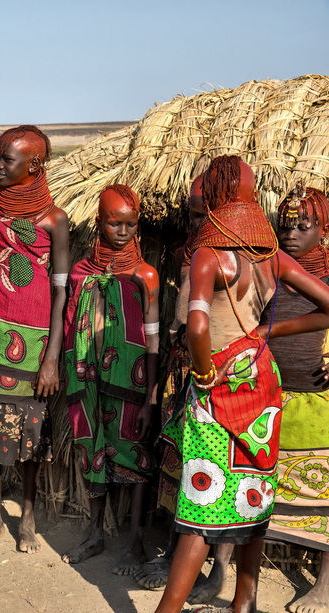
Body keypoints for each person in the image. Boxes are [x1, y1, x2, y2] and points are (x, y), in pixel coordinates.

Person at [155, 156, 329, 613]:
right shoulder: (271, 257)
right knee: (254, 494)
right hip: (262, 382)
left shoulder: (209, 256)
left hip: (219, 388)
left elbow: (197, 326)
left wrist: (203, 372)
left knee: (201, 504)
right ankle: (243, 603)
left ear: (213, 197)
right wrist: (264, 334)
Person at [0, 125, 70, 553]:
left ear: (34, 165)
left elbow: (62, 291)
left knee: (30, 440)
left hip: (35, 349)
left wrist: (51, 359)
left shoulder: (54, 220)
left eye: (7, 159)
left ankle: (28, 518)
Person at [136, 176, 235, 598]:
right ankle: (176, 552)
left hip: (221, 374)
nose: (198, 224)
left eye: (204, 215)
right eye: (193, 216)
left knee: (223, 471)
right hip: (182, 371)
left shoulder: (240, 259)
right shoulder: (186, 254)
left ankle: (219, 570)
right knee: (178, 464)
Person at [61, 185, 159, 573]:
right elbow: (69, 322)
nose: (122, 231)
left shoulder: (145, 275)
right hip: (86, 379)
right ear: (99, 222)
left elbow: (153, 340)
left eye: (130, 224)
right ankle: (95, 532)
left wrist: (151, 396)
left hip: (131, 383)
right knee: (91, 450)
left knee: (135, 453)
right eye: (114, 223)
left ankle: (134, 540)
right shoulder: (81, 272)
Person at [265, 185, 329, 613]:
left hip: (317, 402)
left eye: (303, 226)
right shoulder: (265, 271)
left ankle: (324, 585)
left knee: (326, 497)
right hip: (267, 398)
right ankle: (220, 572)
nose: (291, 234)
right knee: (244, 485)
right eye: (286, 225)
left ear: (324, 231)